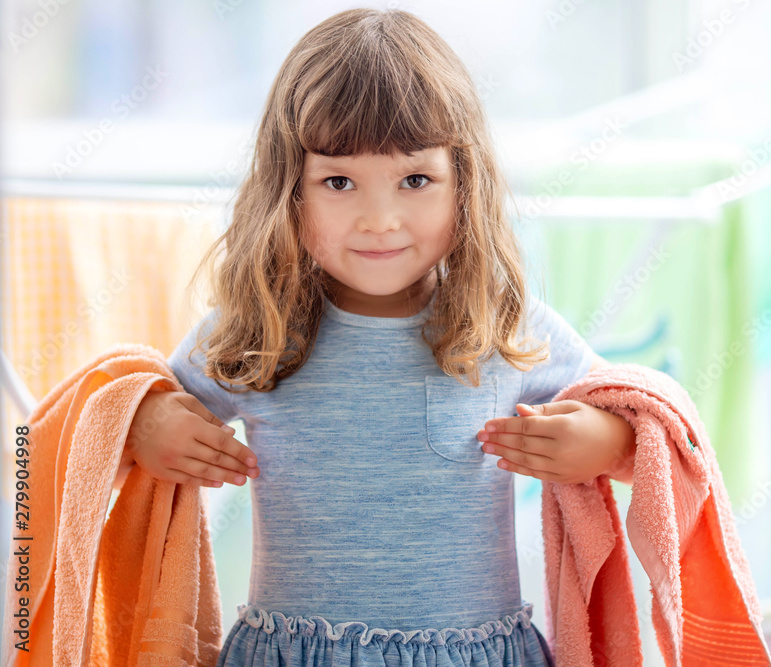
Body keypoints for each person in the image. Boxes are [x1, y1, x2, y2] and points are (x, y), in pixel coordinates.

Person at [122, 8, 637, 667]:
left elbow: (634, 419)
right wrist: (146, 425)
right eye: (338, 181)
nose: (380, 219)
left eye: (415, 180)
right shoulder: (257, 327)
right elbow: (122, 423)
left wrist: (605, 439)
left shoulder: (503, 323)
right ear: (290, 191)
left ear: (465, 184)